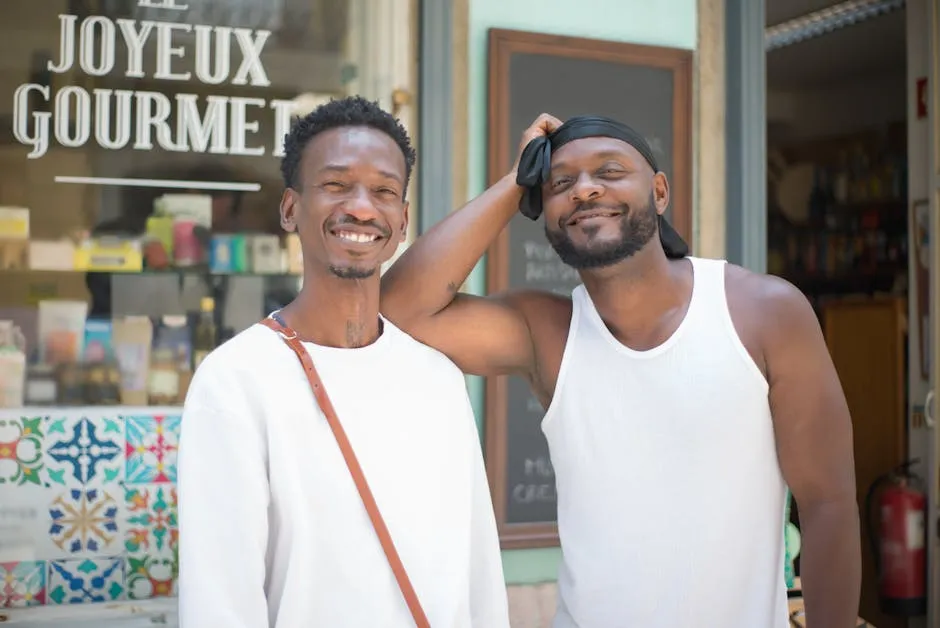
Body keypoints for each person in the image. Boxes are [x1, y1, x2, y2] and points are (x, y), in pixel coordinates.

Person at [380, 113, 861, 627]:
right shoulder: (549, 334)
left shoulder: (763, 312)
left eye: (609, 172)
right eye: (560, 183)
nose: (584, 190)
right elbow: (400, 310)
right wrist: (514, 183)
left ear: (659, 191)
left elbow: (827, 502)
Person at [177, 96, 510, 628]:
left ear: (402, 222)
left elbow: (478, 571)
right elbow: (220, 600)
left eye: (384, 191)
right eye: (336, 185)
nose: (361, 207)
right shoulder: (235, 381)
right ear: (290, 208)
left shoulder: (438, 379)